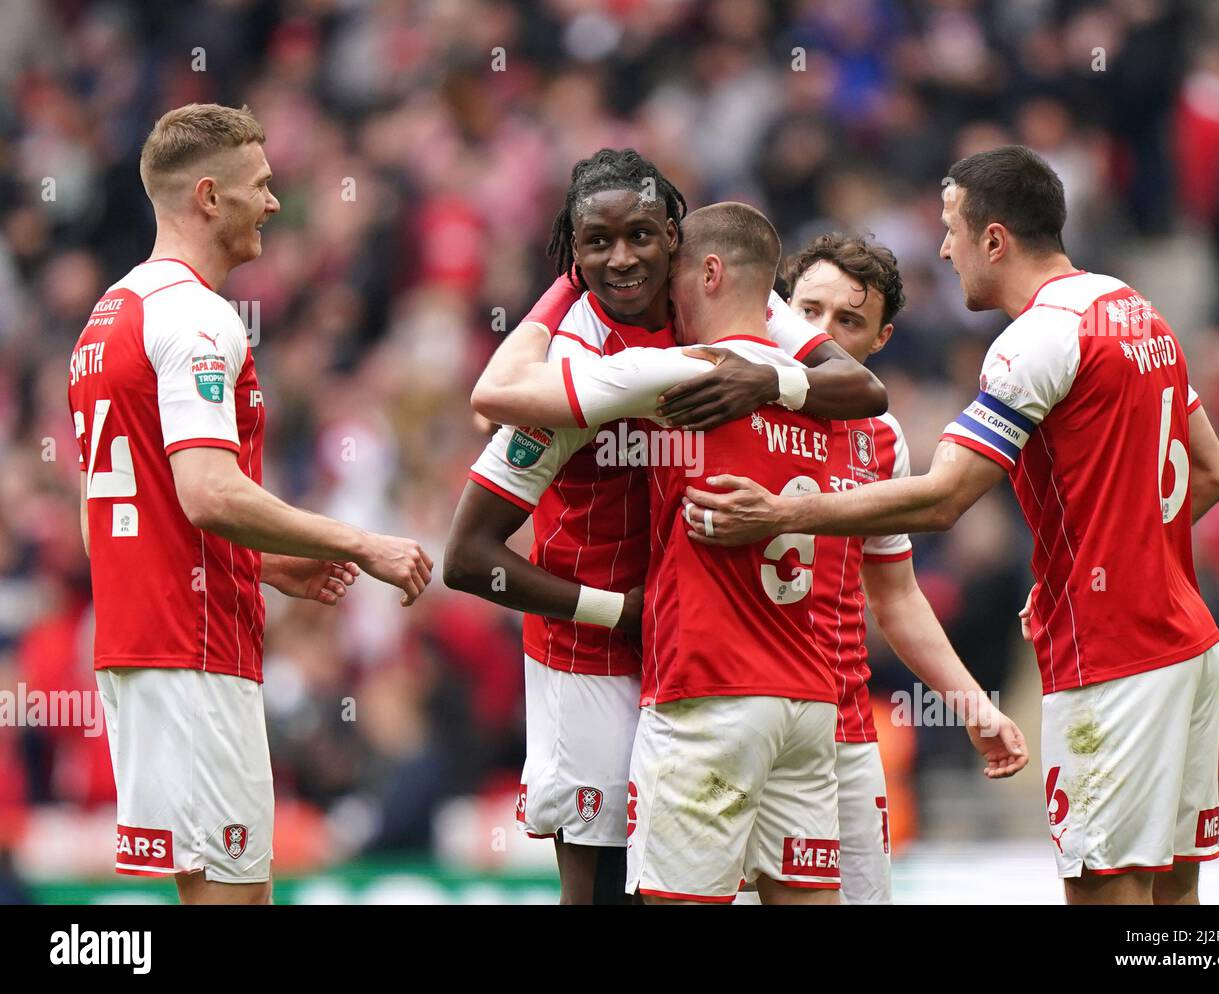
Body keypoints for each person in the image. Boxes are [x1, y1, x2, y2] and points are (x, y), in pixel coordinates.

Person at [681, 146, 1219, 906]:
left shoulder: (1033, 341)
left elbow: (942, 500)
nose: (944, 249)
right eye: (810, 312)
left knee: (1109, 891)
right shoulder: (1134, 309)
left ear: (994, 240)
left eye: (952, 230)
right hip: (1186, 642)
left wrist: (781, 513)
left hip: (1111, 652)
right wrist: (1111, 557)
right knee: (1173, 893)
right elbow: (1211, 472)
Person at [445, 148, 886, 904]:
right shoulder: (575, 354)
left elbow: (861, 388)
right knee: (608, 889)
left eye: (641, 236)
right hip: (591, 653)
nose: (622, 260)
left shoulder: (733, 318)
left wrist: (769, 380)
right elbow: (467, 554)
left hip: (700, 651)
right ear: (573, 251)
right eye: (596, 243)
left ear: (676, 237)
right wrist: (620, 612)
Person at [67, 103, 432, 905]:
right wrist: (358, 541)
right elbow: (208, 490)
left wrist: (263, 562)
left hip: (139, 647)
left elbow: (116, 525)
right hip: (193, 647)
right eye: (260, 185)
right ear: (209, 196)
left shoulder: (108, 315)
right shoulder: (197, 318)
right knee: (234, 896)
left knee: (227, 892)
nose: (273, 202)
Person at [778, 232, 1026, 904]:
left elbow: (896, 596)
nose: (822, 332)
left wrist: (973, 705)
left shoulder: (880, 438)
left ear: (880, 339)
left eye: (848, 320)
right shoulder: (727, 405)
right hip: (733, 712)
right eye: (809, 310)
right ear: (781, 308)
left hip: (840, 721)